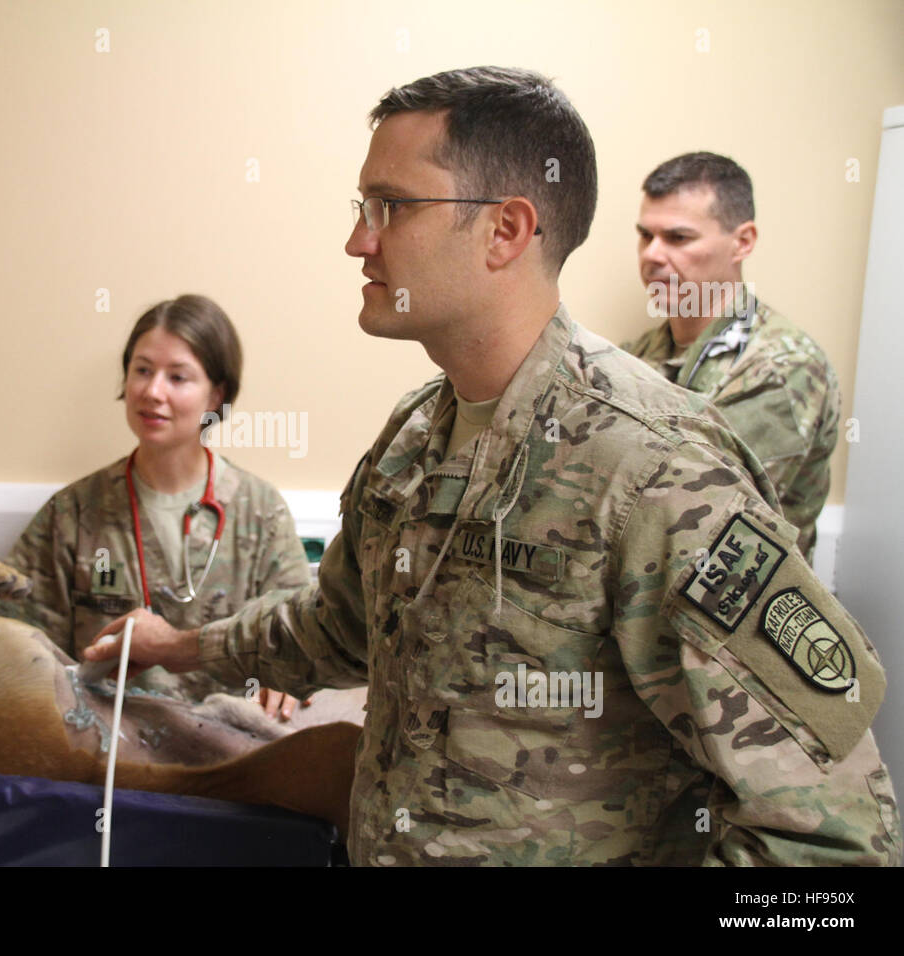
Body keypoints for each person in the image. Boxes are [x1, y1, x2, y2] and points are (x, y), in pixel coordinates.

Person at [83, 68, 900, 866]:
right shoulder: (412, 439)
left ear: (505, 230)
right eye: (362, 208)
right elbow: (333, 631)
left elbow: (832, 834)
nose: (357, 240)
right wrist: (178, 646)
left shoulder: (657, 469)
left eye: (390, 208)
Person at [0, 294, 312, 714]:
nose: (152, 391)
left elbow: (299, 639)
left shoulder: (260, 512)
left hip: (227, 753)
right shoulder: (75, 513)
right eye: (141, 371)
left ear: (216, 395)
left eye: (177, 377)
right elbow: (17, 643)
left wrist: (287, 679)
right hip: (102, 753)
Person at [622, 152, 841, 561]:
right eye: (645, 236)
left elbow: (693, 512)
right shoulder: (640, 352)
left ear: (742, 242)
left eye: (677, 238)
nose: (651, 254)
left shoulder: (781, 366)